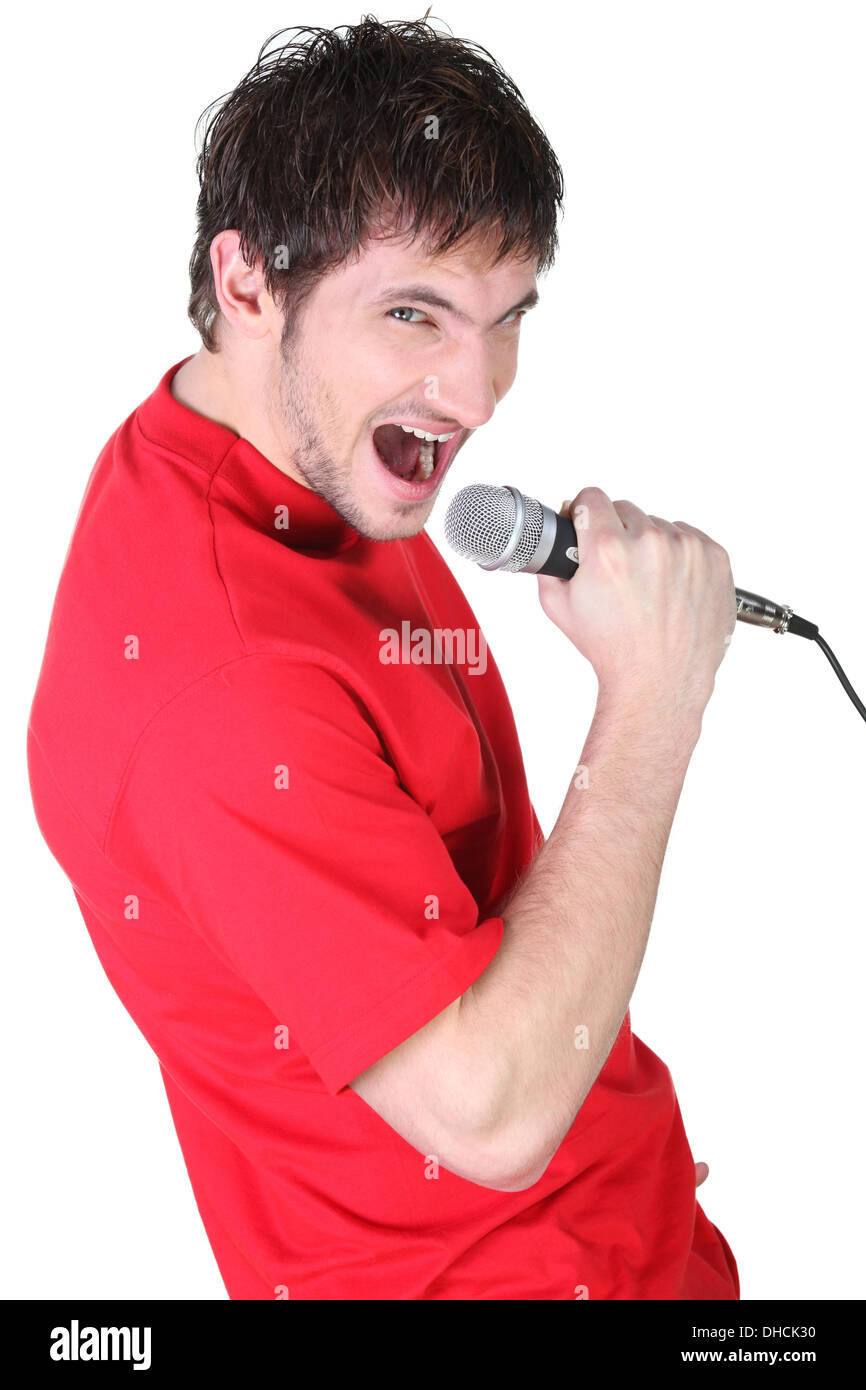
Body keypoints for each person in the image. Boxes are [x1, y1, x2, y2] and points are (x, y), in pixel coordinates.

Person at [27, 17, 739, 1299]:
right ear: (245, 283)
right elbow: (489, 1118)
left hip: (635, 1251)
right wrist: (651, 702)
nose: (471, 394)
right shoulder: (220, 692)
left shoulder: (303, 452)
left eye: (502, 317)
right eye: (412, 313)